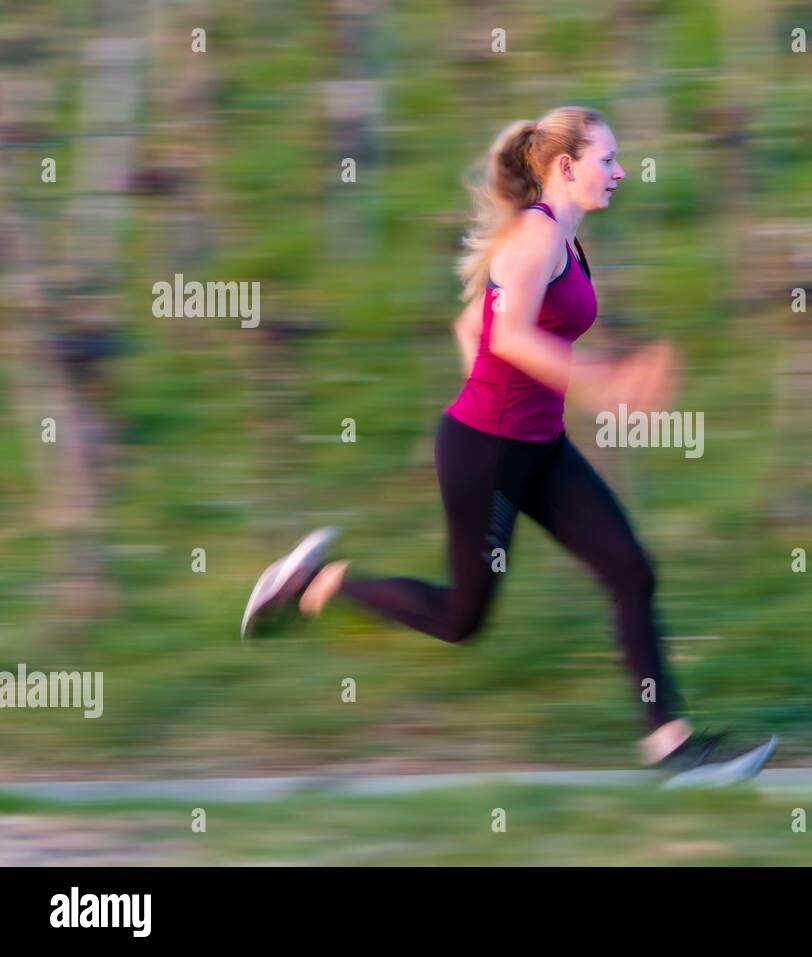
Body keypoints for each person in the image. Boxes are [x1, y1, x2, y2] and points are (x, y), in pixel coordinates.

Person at [241, 106, 776, 786]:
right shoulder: (535, 238)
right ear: (565, 167)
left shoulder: (566, 241)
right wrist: (595, 382)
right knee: (461, 619)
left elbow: (473, 325)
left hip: (537, 447)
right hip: (486, 455)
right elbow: (508, 337)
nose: (619, 170)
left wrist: (522, 396)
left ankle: (673, 748)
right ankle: (315, 583)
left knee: (630, 570)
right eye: (607, 159)